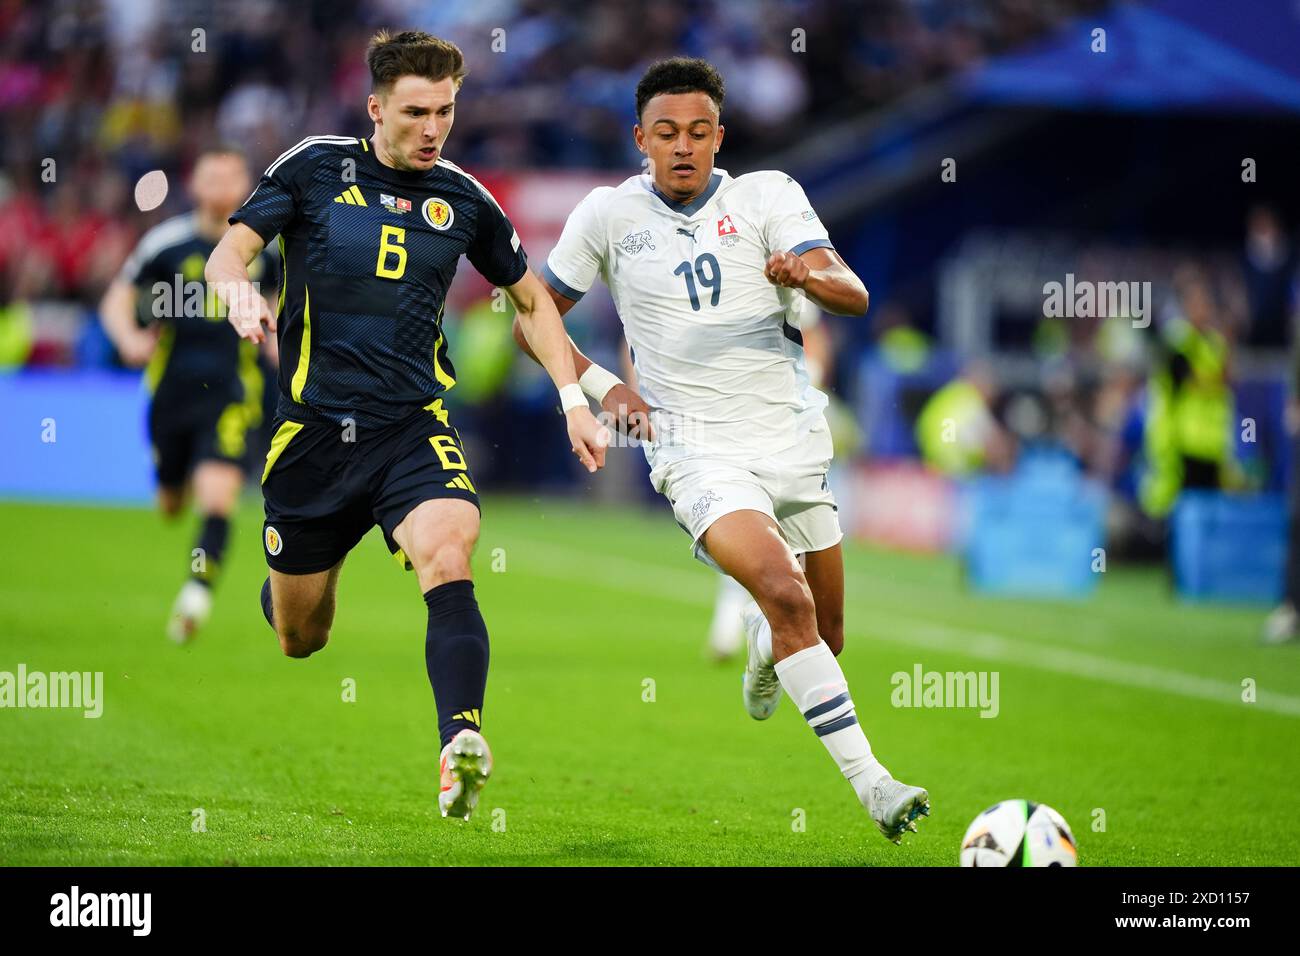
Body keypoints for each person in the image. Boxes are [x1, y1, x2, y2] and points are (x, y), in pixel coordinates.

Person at [514, 57, 929, 843]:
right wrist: (606, 390)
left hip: (790, 440)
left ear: (719, 138)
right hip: (694, 448)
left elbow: (855, 292)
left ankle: (764, 652)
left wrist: (802, 272)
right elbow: (531, 321)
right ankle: (875, 786)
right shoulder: (605, 216)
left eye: (699, 133)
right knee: (785, 591)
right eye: (666, 133)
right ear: (640, 138)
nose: (683, 147)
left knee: (824, 635)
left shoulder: (767, 195)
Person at [204, 30, 608, 821]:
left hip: (409, 428)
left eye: (446, 112)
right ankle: (291, 583)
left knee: (449, 551)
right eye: (417, 112)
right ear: (376, 108)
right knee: (301, 636)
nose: (433, 129)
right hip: (313, 438)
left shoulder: (462, 197)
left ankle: (462, 741)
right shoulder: (314, 165)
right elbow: (230, 253)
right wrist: (240, 295)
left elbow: (532, 301)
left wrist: (573, 400)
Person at [100, 147, 280, 643]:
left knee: (218, 497)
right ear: (195, 185)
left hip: (230, 394)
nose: (222, 186)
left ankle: (195, 597)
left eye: (231, 176)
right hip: (170, 395)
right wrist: (129, 339)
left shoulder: (263, 253)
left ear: (245, 183)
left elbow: (280, 315)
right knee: (171, 502)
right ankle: (172, 483)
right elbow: (116, 300)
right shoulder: (166, 244)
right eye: (212, 176)